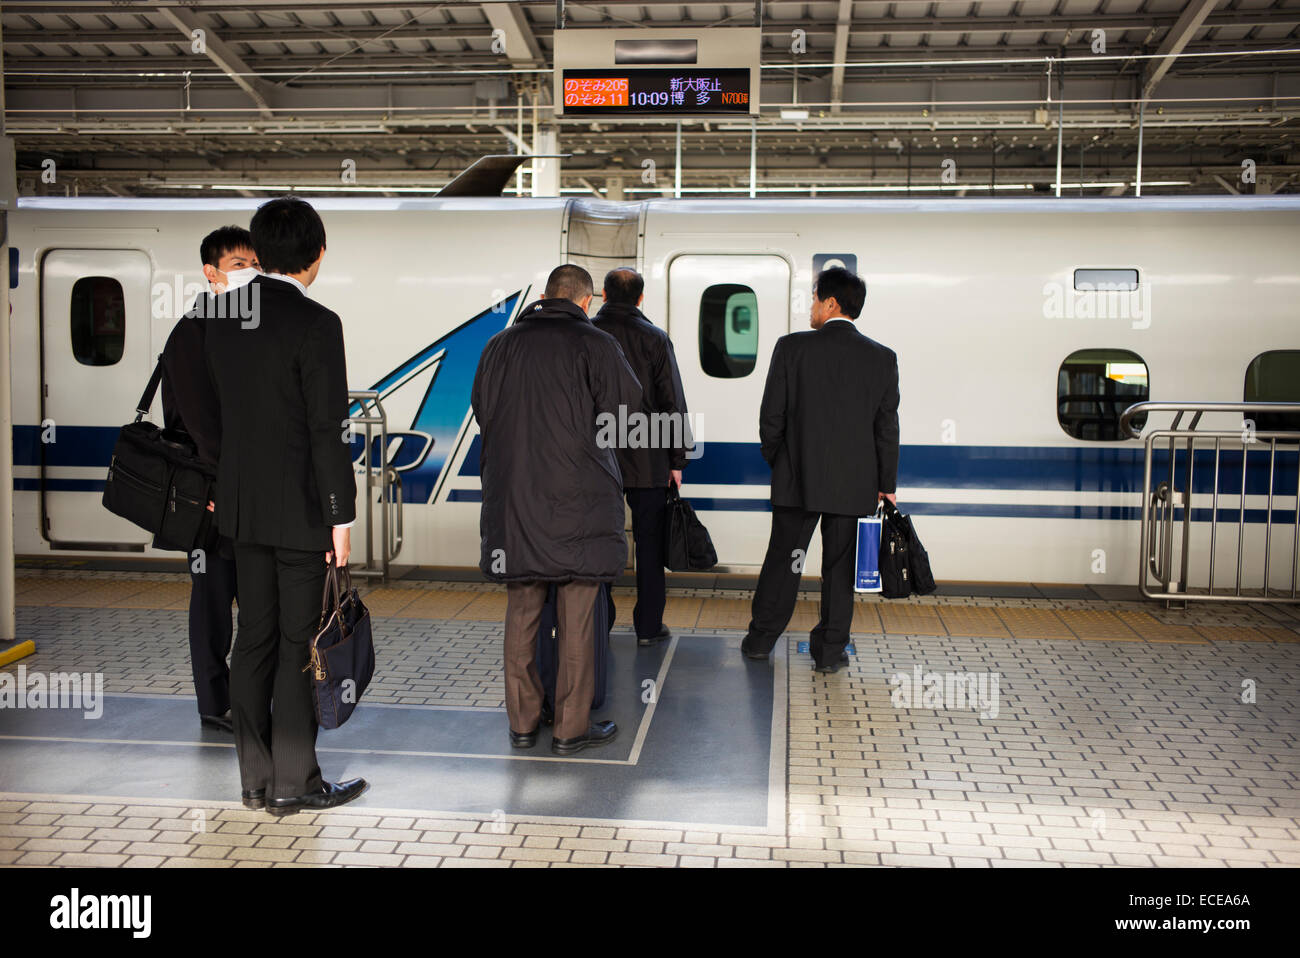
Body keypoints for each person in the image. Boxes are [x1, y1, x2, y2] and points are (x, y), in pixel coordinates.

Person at [204, 197, 366, 814]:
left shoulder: (221, 319)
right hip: (302, 513)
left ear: (261, 253)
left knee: (253, 642)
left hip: (243, 510)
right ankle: (297, 782)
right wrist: (341, 516)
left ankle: (254, 778)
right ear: (316, 255)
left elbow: (224, 420)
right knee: (301, 645)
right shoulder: (318, 325)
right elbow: (327, 431)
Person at [471, 264, 643, 754]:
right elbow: (627, 419)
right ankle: (570, 730)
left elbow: (484, 412)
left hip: (515, 505)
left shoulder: (500, 346)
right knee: (577, 622)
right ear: (586, 301)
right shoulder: (597, 345)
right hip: (581, 508)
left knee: (522, 614)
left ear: (545, 295)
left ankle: (522, 724)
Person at [740, 267, 900, 674]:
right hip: (854, 484)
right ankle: (830, 653)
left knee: (785, 562)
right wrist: (886, 484)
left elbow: (771, 415)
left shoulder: (792, 348)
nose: (811, 307)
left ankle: (760, 641)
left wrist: (780, 460)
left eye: (814, 299)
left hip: (797, 481)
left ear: (830, 303)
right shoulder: (882, 358)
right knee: (839, 569)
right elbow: (886, 428)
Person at [159, 226, 260, 734]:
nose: (252, 271)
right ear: (211, 272)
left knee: (248, 596)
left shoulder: (241, 325)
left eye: (255, 263)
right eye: (240, 263)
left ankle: (242, 696)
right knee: (214, 601)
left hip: (242, 492)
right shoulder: (194, 332)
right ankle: (213, 702)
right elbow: (201, 423)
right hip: (211, 495)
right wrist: (226, 488)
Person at [592, 267, 689, 646]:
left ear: (603, 295)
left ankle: (599, 619)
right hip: (648, 458)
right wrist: (677, 461)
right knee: (649, 544)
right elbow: (672, 402)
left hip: (597, 458)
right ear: (641, 298)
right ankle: (648, 626)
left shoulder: (588, 336)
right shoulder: (656, 338)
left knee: (598, 539)